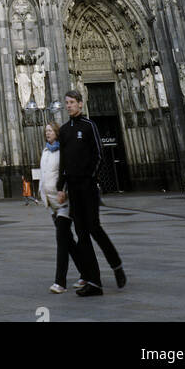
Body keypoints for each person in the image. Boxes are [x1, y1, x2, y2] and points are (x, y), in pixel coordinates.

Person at [57, 90, 126, 297]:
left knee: (94, 227)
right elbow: (63, 162)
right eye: (66, 103)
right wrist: (61, 187)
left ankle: (116, 265)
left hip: (87, 186)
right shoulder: (64, 130)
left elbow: (99, 154)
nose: (68, 106)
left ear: (80, 103)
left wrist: (90, 177)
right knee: (81, 233)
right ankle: (94, 282)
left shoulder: (89, 126)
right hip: (73, 188)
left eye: (71, 102)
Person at [39, 121, 82, 293]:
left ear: (57, 132)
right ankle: (86, 273)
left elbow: (66, 173)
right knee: (69, 241)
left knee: (61, 240)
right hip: (51, 204)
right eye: (46, 131)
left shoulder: (63, 151)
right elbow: (44, 174)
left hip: (64, 202)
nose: (48, 133)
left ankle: (60, 282)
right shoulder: (45, 151)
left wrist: (63, 190)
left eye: (50, 130)